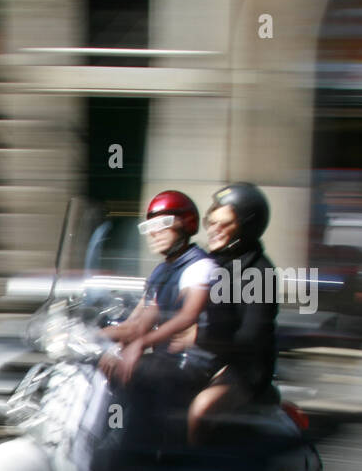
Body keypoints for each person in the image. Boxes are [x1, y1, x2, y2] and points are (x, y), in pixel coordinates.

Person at [99, 190, 217, 444]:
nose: (154, 232)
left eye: (163, 224)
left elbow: (188, 315)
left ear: (187, 224)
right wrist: (94, 336)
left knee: (136, 375)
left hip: (191, 362)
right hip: (167, 359)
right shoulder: (161, 271)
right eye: (148, 226)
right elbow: (139, 322)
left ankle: (145, 453)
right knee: (106, 369)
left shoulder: (199, 266)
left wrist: (139, 343)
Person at [186, 182, 279, 444]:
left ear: (246, 227)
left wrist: (200, 340)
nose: (214, 230)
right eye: (211, 222)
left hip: (243, 368)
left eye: (223, 224)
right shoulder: (208, 262)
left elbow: (251, 336)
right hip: (202, 358)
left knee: (200, 409)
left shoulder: (259, 272)